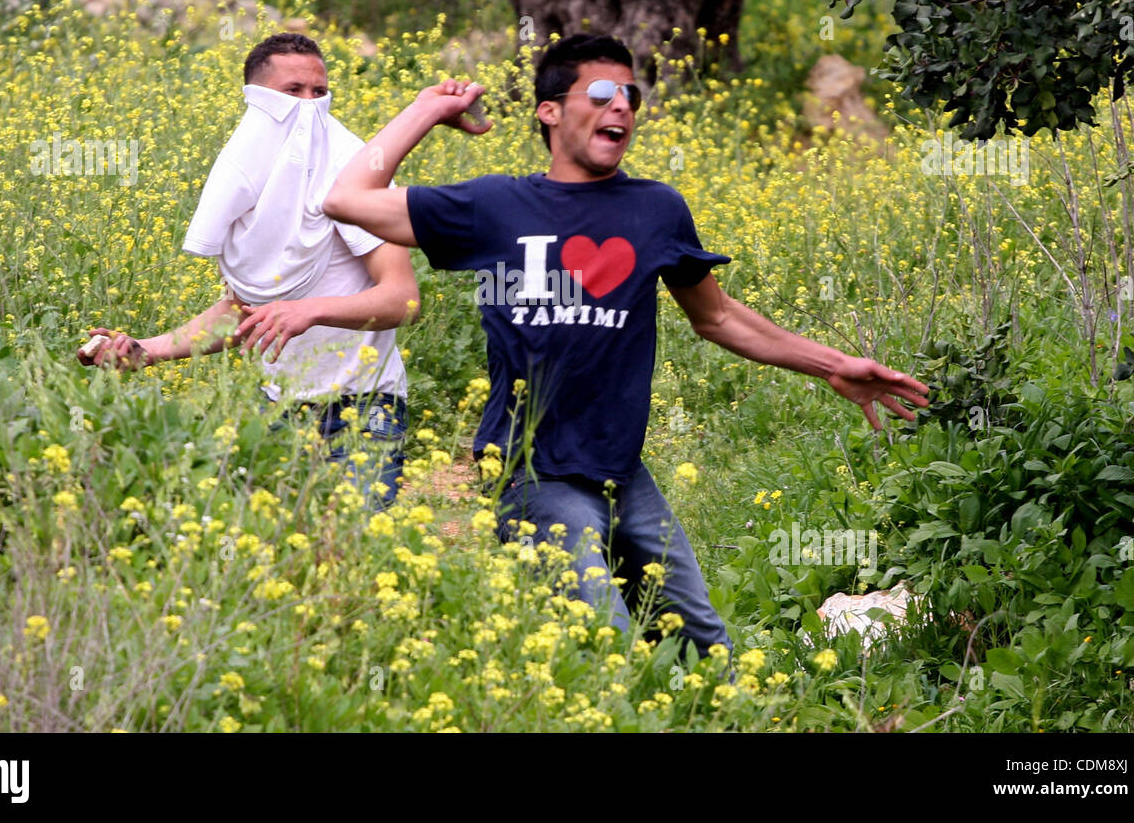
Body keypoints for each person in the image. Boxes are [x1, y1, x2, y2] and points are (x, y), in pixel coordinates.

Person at [321, 33, 930, 655]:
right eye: (603, 93)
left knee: (705, 647)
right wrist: (428, 109)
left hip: (622, 469)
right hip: (532, 469)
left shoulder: (656, 209)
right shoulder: (494, 204)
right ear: (549, 110)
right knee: (603, 649)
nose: (622, 108)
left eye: (631, 96)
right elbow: (346, 199)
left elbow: (718, 317)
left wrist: (835, 365)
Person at [79, 32, 419, 509]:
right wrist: (146, 350)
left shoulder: (352, 171)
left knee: (355, 552)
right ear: (258, 100)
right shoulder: (249, 174)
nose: (308, 105)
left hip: (361, 407)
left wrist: (309, 312)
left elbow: (401, 298)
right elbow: (243, 311)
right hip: (275, 405)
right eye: (293, 91)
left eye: (319, 92)